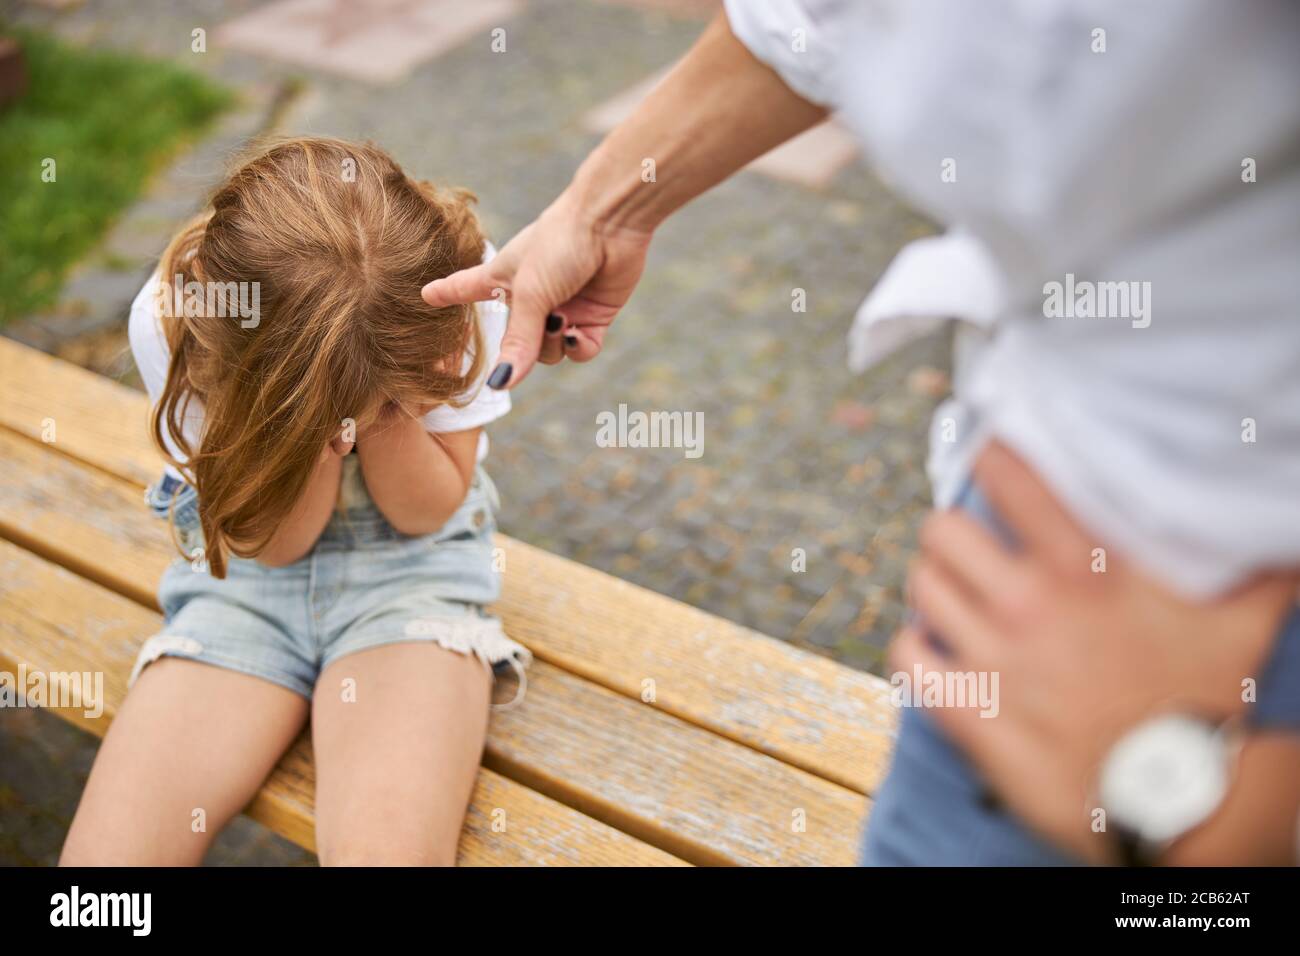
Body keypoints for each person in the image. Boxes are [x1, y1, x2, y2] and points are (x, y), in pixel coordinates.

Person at [422, 2, 1300, 864]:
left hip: (1208, 638)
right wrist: (599, 213)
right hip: (1052, 574)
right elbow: (818, 21)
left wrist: (1225, 824)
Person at [61, 137, 530, 866]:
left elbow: (426, 511)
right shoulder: (178, 322)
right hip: (248, 574)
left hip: (414, 572)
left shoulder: (458, 290)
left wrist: (390, 405)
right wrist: (311, 429)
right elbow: (272, 543)